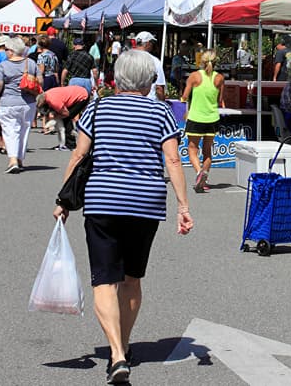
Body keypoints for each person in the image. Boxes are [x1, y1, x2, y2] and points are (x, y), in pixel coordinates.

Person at [53, 49, 193, 385]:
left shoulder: (98, 108)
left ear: (119, 78)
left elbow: (79, 154)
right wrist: (183, 206)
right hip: (145, 204)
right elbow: (173, 162)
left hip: (102, 201)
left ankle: (116, 353)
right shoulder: (161, 112)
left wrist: (63, 201)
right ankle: (126, 343)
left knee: (104, 280)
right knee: (132, 279)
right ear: (147, 80)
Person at [0, 36, 42, 174]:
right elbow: (40, 81)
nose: (5, 52)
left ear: (12, 51)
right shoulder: (30, 63)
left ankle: (13, 160)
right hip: (28, 103)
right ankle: (19, 159)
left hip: (8, 102)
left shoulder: (4, 65)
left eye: (7, 49)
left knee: (10, 130)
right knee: (24, 130)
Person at [181, 49, 224, 193]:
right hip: (212, 118)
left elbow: (184, 96)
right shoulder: (219, 78)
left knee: (192, 149)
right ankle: (204, 180)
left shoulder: (194, 76)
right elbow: (219, 99)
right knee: (207, 152)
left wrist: (183, 102)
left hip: (196, 117)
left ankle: (200, 172)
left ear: (201, 61)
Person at [37, 84, 89, 151]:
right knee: (64, 118)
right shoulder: (46, 95)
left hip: (82, 96)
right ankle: (64, 143)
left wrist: (57, 116)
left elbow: (66, 114)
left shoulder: (53, 101)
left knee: (67, 118)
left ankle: (71, 145)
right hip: (77, 92)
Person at [133, 32, 166, 101]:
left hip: (130, 102)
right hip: (149, 103)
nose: (152, 45)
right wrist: (163, 104)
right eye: (152, 43)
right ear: (148, 43)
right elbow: (159, 88)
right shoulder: (154, 61)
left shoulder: (126, 59)